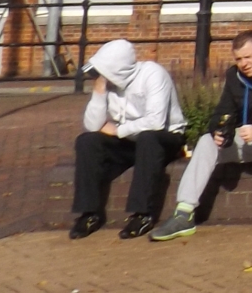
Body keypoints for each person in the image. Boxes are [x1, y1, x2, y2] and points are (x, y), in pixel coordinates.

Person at [152, 29, 252, 241]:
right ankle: (183, 214)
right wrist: (219, 130)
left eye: (248, 57)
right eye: (238, 59)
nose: (243, 63)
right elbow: (221, 113)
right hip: (249, 141)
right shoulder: (234, 76)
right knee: (206, 141)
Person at [71, 39, 187, 239]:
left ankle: (143, 214)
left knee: (148, 138)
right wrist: (99, 91)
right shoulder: (108, 84)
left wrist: (118, 130)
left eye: (102, 71)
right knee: (86, 141)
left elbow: (156, 122)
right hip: (132, 141)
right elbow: (92, 126)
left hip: (165, 138)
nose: (99, 75)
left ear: (117, 68)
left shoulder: (153, 74)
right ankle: (89, 214)